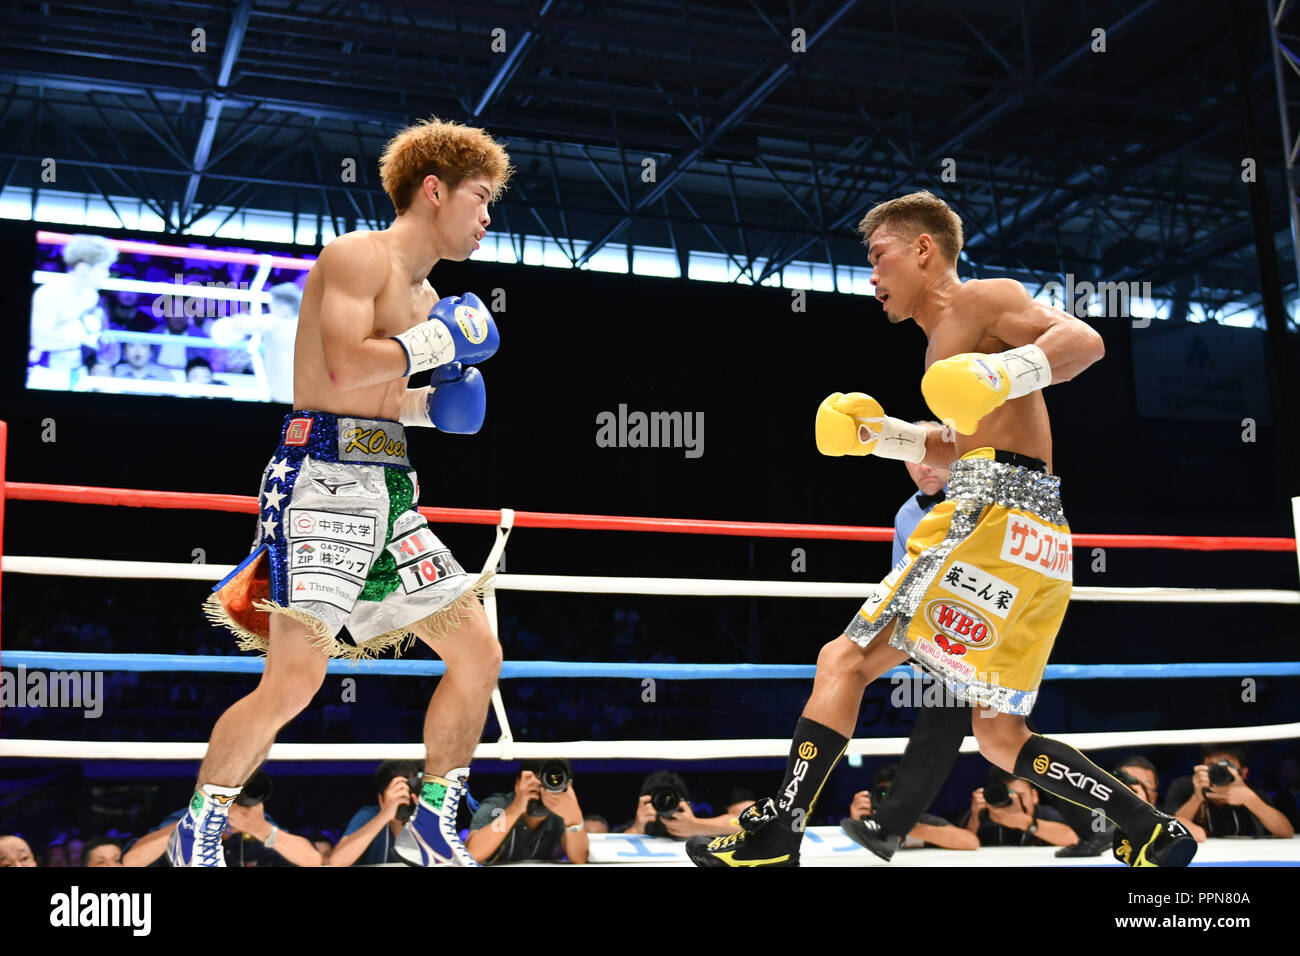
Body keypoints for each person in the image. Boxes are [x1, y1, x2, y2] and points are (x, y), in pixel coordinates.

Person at [688, 190, 1195, 868]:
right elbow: (961, 443)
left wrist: (1005, 367)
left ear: (923, 249)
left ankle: (780, 833)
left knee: (844, 659)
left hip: (988, 512)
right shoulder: (942, 347)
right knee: (999, 734)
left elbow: (1085, 341)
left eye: (879, 256)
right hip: (1039, 533)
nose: (871, 277)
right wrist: (883, 436)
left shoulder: (981, 300)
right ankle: (1145, 825)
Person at [172, 117, 513, 868]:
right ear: (435, 191)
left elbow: (385, 399)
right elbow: (337, 375)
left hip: (390, 486)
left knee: (478, 654)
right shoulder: (358, 257)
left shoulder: (428, 296)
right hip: (320, 480)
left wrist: (435, 404)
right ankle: (197, 826)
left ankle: (431, 820)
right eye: (480, 198)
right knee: (296, 679)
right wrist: (441, 344)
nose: (489, 217)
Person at [842, 438, 968, 861]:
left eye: (931, 455)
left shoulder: (980, 499)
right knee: (1008, 737)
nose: (923, 467)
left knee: (989, 733)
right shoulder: (907, 514)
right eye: (913, 458)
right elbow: (899, 581)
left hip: (984, 631)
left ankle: (889, 826)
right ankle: (1122, 818)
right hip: (938, 634)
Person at [464, 760, 589, 864]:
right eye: (535, 777)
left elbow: (579, 860)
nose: (542, 785)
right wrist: (517, 807)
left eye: (551, 778)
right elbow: (472, 855)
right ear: (518, 783)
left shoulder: (560, 813)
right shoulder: (498, 807)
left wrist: (573, 818)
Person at [28, 233, 115, 382]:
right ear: (83, 268)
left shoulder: (91, 295)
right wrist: (79, 331)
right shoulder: (49, 294)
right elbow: (40, 342)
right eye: (102, 268)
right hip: (47, 373)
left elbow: (88, 340)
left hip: (77, 370)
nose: (107, 274)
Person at [1165, 744, 1294, 839]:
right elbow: (1168, 831)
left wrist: (1249, 799)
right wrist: (1196, 798)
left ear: (1243, 773)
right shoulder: (1185, 787)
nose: (1218, 771)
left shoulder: (1251, 793)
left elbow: (1286, 832)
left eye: (1226, 766)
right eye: (1211, 766)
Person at [846, 764, 977, 851]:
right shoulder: (864, 820)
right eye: (884, 795)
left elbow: (970, 842)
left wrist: (905, 827)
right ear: (872, 797)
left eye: (895, 795)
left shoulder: (919, 821)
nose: (889, 801)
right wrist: (855, 821)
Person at [330, 760, 422, 866]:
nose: (405, 796)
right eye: (398, 789)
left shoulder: (429, 817)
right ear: (381, 799)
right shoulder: (370, 815)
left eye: (410, 788)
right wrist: (385, 814)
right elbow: (337, 862)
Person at [962, 768, 1076, 847]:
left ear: (1034, 796)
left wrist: (1024, 822)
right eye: (1007, 795)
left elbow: (1072, 838)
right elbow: (964, 847)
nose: (1014, 800)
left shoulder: (1045, 815)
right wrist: (974, 818)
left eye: (1019, 795)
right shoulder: (986, 811)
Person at [622, 770, 738, 839]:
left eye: (670, 800)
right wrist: (636, 830)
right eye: (659, 800)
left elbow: (746, 823)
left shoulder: (700, 827)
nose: (665, 804)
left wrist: (697, 825)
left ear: (684, 803)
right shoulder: (632, 828)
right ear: (645, 803)